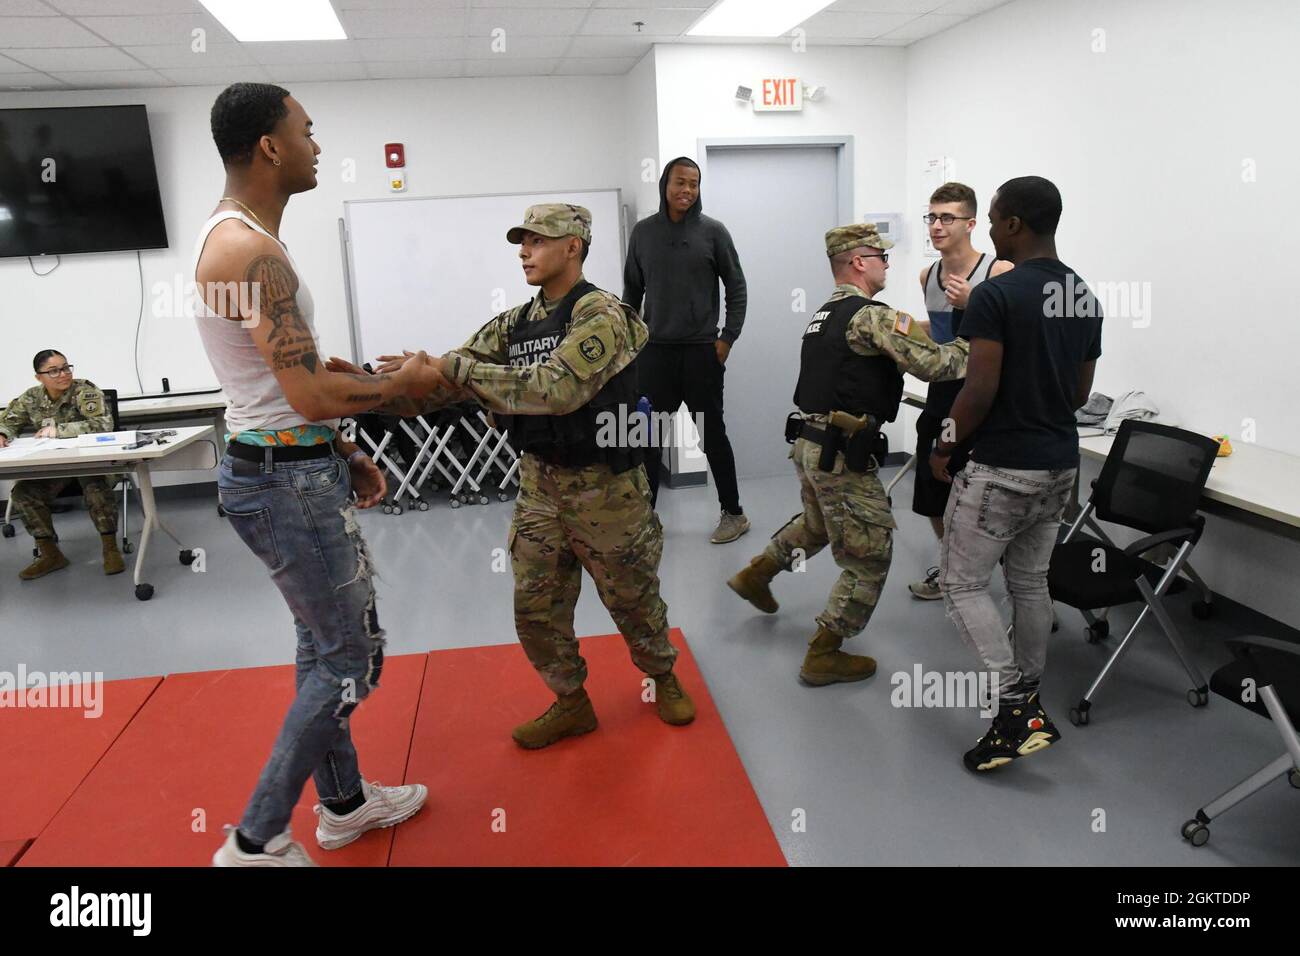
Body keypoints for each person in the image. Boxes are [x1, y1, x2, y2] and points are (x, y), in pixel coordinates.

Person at [196, 83, 444, 866]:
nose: (316, 144)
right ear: (270, 146)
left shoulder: (242, 239)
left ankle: (341, 805)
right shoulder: (249, 251)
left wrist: (340, 448)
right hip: (282, 483)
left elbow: (272, 393)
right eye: (307, 131)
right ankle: (254, 839)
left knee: (318, 644)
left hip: (285, 465)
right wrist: (404, 388)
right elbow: (307, 390)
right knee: (350, 658)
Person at [358, 203, 696, 749]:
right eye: (522, 241)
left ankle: (662, 673)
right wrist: (379, 387)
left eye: (538, 240)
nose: (524, 251)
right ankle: (571, 702)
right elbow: (453, 375)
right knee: (535, 607)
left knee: (632, 598)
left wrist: (450, 369)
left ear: (573, 247)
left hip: (606, 490)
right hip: (539, 485)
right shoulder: (517, 322)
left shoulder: (604, 315)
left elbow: (554, 389)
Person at [726, 223, 969, 685]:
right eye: (880, 255)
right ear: (859, 262)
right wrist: (980, 331)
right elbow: (940, 365)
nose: (887, 263)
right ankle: (825, 650)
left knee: (818, 525)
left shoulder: (825, 315)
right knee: (870, 556)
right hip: (841, 453)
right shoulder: (873, 316)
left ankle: (757, 574)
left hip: (811, 445)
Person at [931, 176, 1102, 773]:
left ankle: (1013, 709)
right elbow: (1080, 392)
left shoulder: (995, 296)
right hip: (1059, 465)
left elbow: (979, 389)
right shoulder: (1082, 295)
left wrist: (942, 443)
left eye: (996, 216)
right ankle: (1026, 693)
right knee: (1029, 584)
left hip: (1003, 466)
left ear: (1011, 226)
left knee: (962, 582)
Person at [623, 157, 750, 543]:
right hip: (655, 354)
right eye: (680, 182)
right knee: (646, 438)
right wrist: (630, 343)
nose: (687, 191)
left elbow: (737, 287)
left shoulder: (713, 232)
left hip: (701, 354)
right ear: (665, 184)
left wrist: (726, 338)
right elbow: (632, 292)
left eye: (694, 184)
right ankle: (644, 518)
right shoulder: (644, 233)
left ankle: (733, 513)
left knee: (712, 435)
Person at [908, 183, 1012, 600]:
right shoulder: (927, 274)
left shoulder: (997, 271)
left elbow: (1018, 336)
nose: (936, 226)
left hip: (986, 398)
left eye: (947, 218)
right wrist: (894, 329)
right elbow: (938, 332)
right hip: (941, 395)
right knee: (932, 494)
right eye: (931, 217)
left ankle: (1024, 588)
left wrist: (978, 300)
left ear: (970, 224)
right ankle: (951, 568)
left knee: (990, 503)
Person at [0, 350, 124, 579]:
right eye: (54, 370)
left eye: (66, 367)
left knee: (95, 488)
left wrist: (59, 431)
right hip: (56, 468)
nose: (63, 374)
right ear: (39, 377)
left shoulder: (85, 391)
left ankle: (110, 548)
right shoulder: (31, 398)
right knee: (24, 494)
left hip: (93, 464)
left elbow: (103, 425)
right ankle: (50, 554)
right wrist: (2, 433)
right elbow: (8, 421)